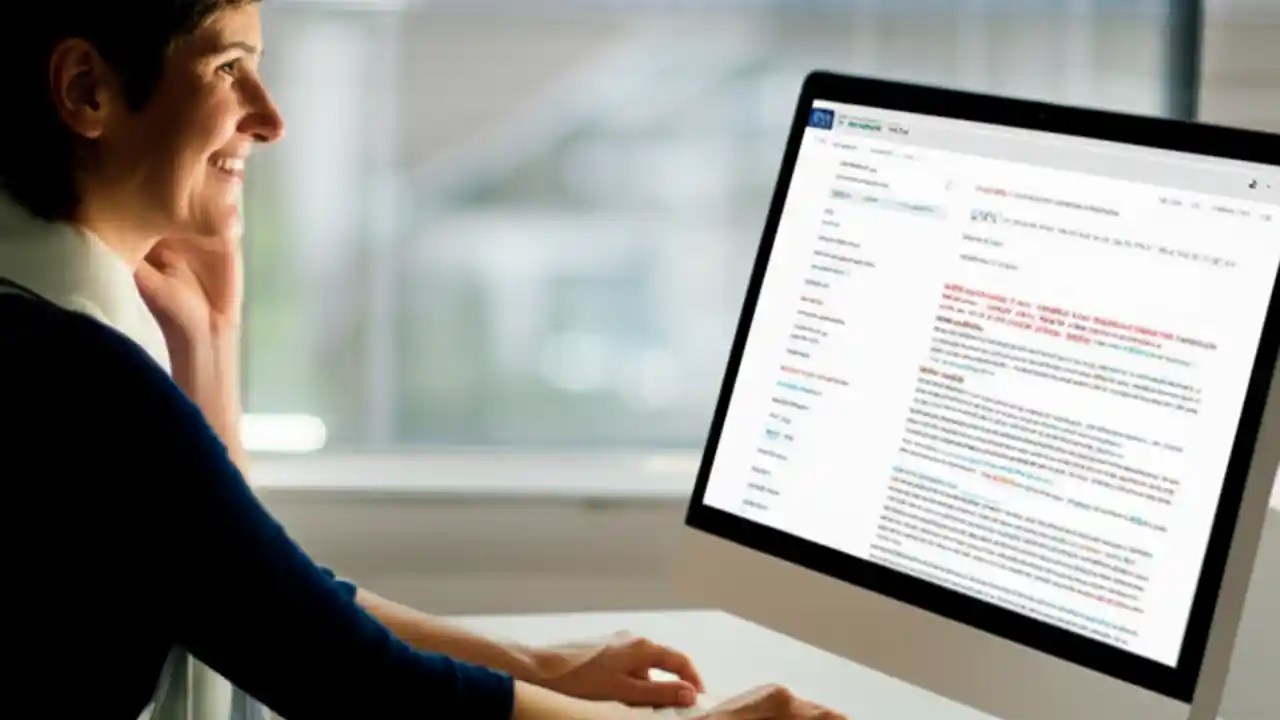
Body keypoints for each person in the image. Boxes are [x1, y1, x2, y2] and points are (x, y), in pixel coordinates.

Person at [0, 2, 846, 719]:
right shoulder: (76, 378)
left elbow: (248, 588)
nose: (269, 115)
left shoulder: (57, 330)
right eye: (229, 68)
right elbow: (349, 679)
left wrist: (211, 338)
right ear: (87, 90)